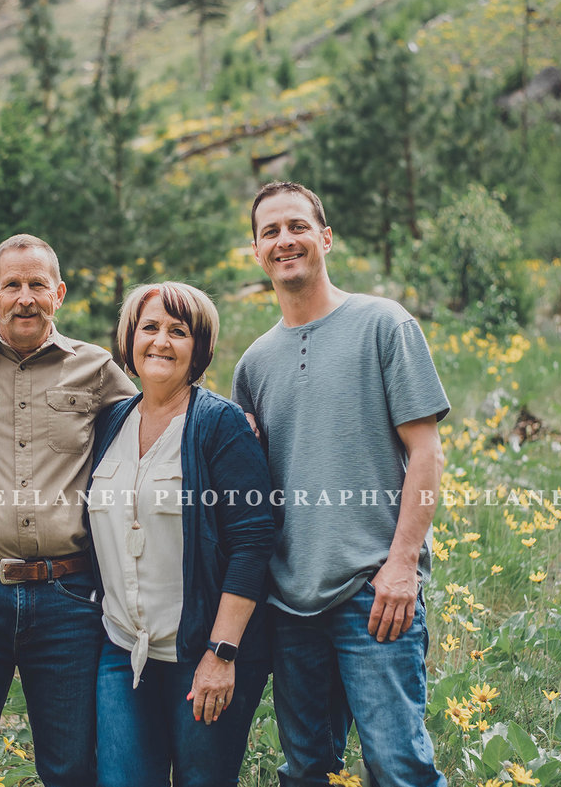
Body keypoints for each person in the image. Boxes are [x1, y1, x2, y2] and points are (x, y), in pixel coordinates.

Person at [231, 182, 451, 787]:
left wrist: (402, 565)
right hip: (289, 602)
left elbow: (426, 452)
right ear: (255, 251)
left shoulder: (383, 324)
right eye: (270, 232)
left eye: (297, 226)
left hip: (373, 592)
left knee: (397, 764)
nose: (285, 241)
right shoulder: (253, 364)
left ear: (325, 237)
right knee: (305, 769)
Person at [0, 234, 135, 787]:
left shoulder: (98, 370)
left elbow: (156, 424)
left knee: (69, 768)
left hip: (69, 599)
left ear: (58, 293)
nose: (25, 298)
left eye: (37, 284)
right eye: (12, 285)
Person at [87, 282, 275, 787]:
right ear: (129, 340)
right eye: (149, 328)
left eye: (178, 331)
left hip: (202, 655)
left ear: (200, 348)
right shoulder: (111, 421)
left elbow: (253, 542)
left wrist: (222, 654)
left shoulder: (221, 425)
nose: (161, 342)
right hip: (122, 651)